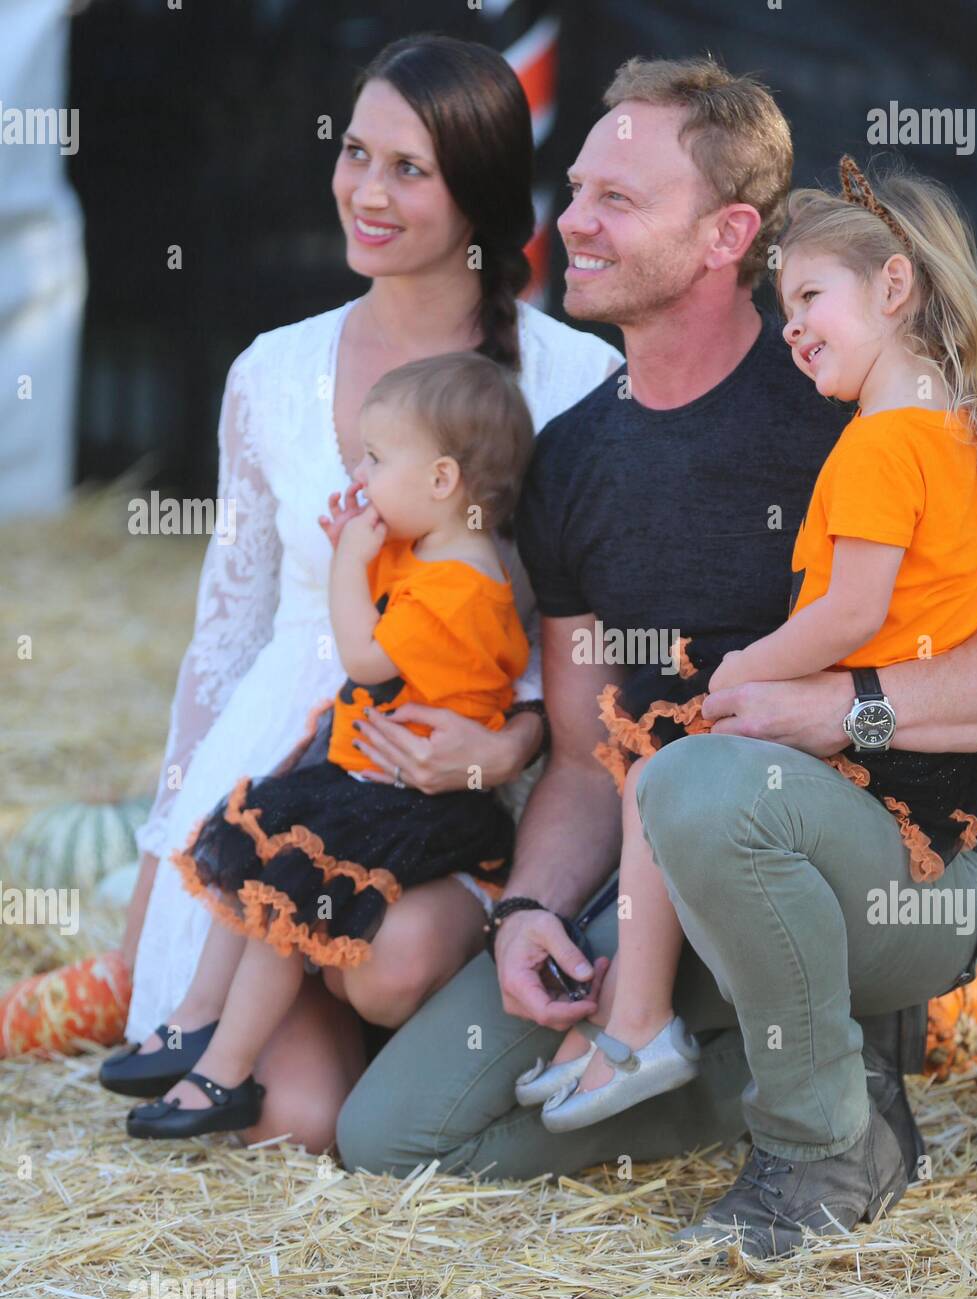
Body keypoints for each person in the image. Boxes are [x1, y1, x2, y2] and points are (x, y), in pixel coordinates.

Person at [334, 58, 977, 1257]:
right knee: (392, 1139)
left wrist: (844, 707)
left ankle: (817, 1142)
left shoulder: (860, 397)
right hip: (669, 882)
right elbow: (588, 754)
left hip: (892, 883)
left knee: (704, 774)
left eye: (618, 199)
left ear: (727, 235)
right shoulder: (573, 461)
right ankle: (811, 1079)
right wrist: (532, 910)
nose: (573, 221)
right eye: (576, 187)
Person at [95, 34, 622, 1152]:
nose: (364, 192)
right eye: (354, 153)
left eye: (408, 170)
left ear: (477, 196)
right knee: (297, 1124)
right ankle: (286, 1031)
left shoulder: (575, 382)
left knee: (387, 967)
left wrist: (505, 746)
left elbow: (582, 656)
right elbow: (219, 651)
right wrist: (156, 874)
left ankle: (408, 1033)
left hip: (448, 786)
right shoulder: (270, 372)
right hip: (273, 773)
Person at [531, 154, 977, 1132]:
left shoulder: (877, 445)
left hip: (867, 776)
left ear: (893, 287)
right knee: (660, 781)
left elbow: (850, 610)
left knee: (663, 774)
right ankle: (652, 1032)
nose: (792, 324)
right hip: (922, 790)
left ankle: (649, 1031)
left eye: (809, 297)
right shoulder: (957, 430)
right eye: (784, 302)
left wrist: (752, 666)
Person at [118, 354, 533, 1139]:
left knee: (291, 896)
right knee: (255, 849)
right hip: (368, 786)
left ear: (442, 481)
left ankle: (223, 1074)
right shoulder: (432, 552)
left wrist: (347, 558)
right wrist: (362, 536)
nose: (361, 473)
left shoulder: (465, 587)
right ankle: (199, 1021)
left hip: (411, 805)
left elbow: (366, 657)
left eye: (376, 460)